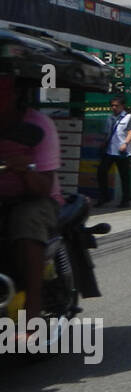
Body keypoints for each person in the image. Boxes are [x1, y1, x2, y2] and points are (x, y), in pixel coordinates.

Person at [0, 74, 61, 322]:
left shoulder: (39, 125)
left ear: (14, 96)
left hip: (35, 199)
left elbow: (44, 187)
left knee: (26, 221)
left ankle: (33, 307)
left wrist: (25, 170)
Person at [97, 95, 131, 208]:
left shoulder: (128, 117)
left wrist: (125, 143)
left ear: (122, 106)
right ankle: (104, 197)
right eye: (112, 105)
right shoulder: (110, 118)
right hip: (110, 151)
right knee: (101, 172)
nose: (114, 107)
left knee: (124, 176)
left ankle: (125, 200)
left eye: (116, 105)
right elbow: (107, 133)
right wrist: (103, 143)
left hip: (122, 152)